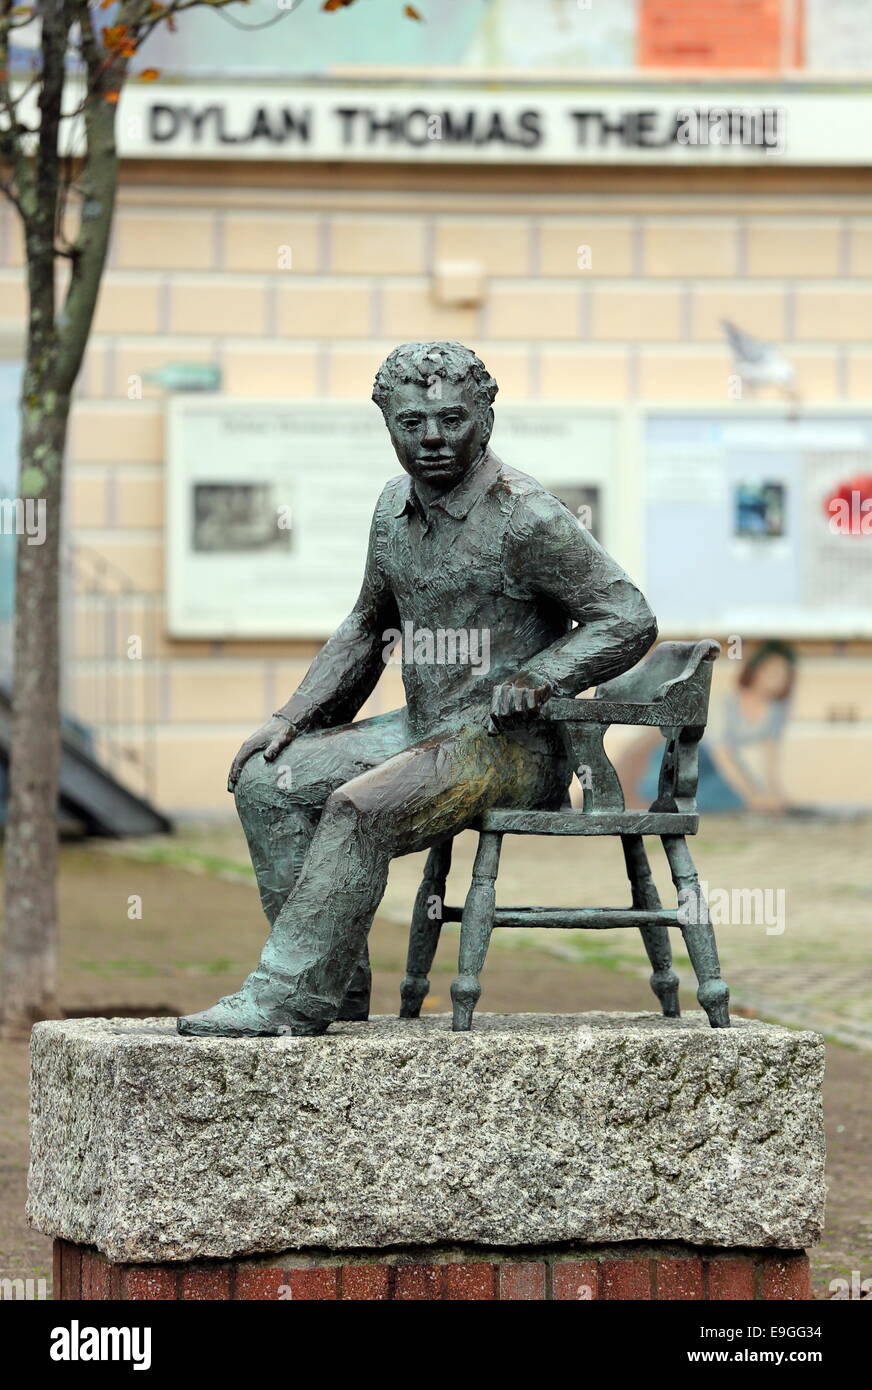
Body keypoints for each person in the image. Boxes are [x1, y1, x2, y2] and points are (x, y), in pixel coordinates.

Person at [178, 341, 657, 1037]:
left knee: (358, 809)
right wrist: (294, 718)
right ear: (389, 424)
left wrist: (541, 676)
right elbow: (367, 627)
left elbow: (628, 616)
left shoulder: (526, 515)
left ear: (485, 420)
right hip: (425, 731)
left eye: (453, 420)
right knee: (265, 779)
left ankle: (287, 996)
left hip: (512, 749)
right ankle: (331, 983)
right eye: (411, 423)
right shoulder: (390, 512)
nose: (432, 439)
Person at [617, 640, 797, 814]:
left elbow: (770, 755)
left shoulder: (777, 710)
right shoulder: (725, 704)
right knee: (669, 795)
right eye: (771, 672)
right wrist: (753, 797)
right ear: (756, 671)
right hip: (684, 754)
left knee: (731, 798)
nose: (777, 680)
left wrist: (776, 794)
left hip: (713, 766)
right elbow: (721, 753)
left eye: (783, 675)